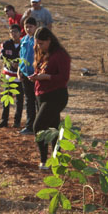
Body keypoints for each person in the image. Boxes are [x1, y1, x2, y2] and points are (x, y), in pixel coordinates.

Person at [29, 27, 70, 169]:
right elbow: (39, 68)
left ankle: (44, 160)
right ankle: (56, 159)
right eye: (37, 43)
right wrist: (35, 77)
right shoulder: (42, 52)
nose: (38, 46)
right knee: (53, 128)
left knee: (38, 126)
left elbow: (64, 78)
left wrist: (45, 77)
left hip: (56, 95)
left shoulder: (60, 55)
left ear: (49, 40)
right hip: (42, 94)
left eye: (41, 43)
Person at [0, 23, 25, 129]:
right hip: (8, 76)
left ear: (20, 33)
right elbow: (1, 56)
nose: (13, 34)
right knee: (6, 99)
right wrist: (9, 62)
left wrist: (19, 65)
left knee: (19, 100)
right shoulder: (6, 44)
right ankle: (4, 120)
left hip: (19, 77)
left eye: (15, 32)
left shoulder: (23, 44)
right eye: (11, 32)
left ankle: (17, 121)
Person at [18, 17, 38, 135]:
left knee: (38, 101)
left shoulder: (37, 40)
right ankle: (29, 126)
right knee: (29, 100)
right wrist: (19, 71)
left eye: (30, 26)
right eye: (26, 27)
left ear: (35, 27)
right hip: (25, 74)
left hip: (35, 75)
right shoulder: (24, 40)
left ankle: (41, 126)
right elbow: (21, 56)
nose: (28, 29)